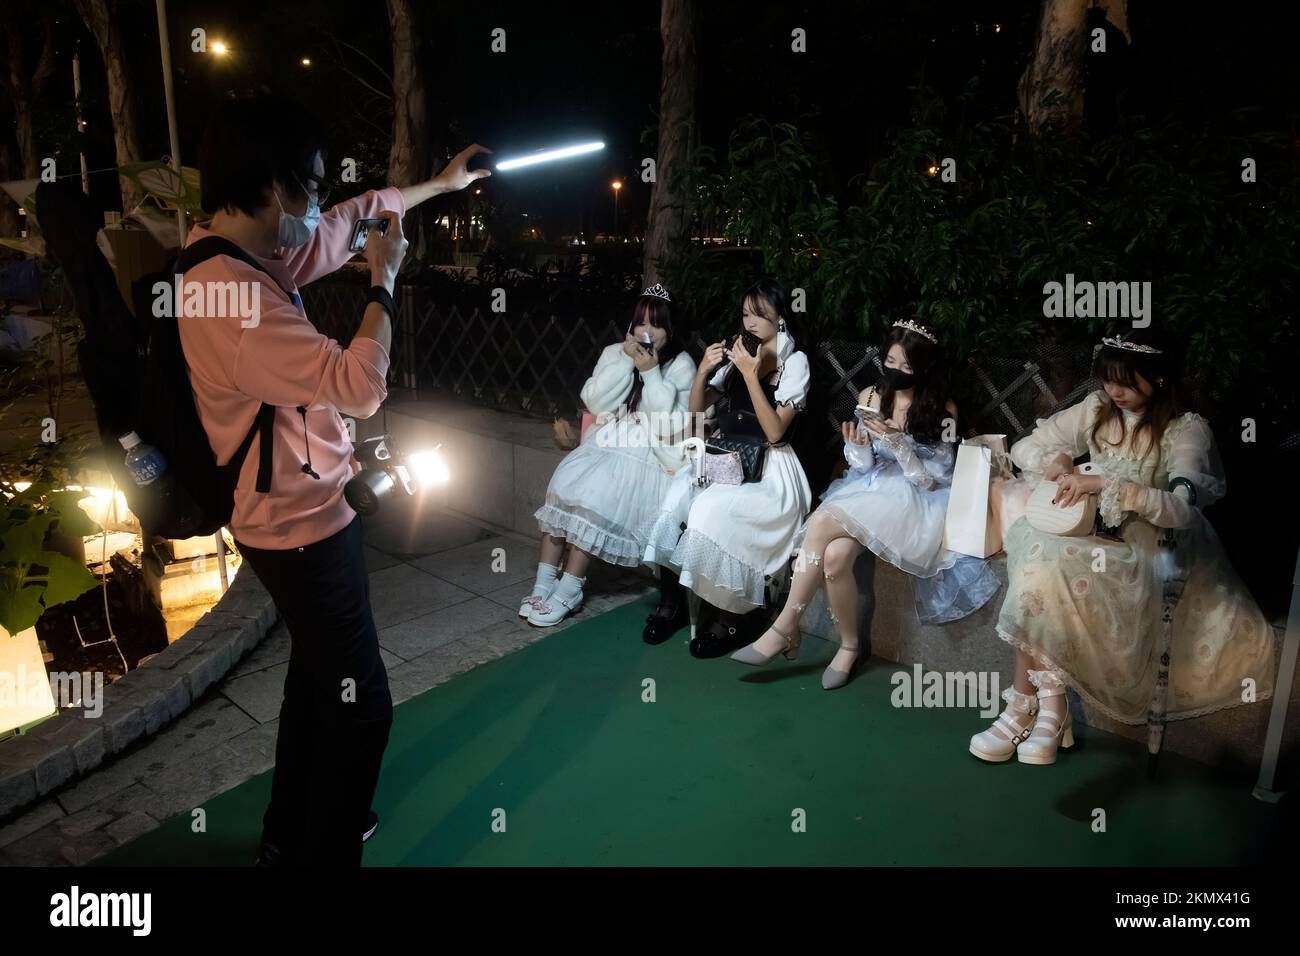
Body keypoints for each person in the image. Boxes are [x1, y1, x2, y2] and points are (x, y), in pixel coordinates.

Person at [180, 93, 489, 864]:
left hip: (284, 512)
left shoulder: (236, 251)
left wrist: (437, 189)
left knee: (315, 682)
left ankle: (288, 832)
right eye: (310, 185)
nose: (319, 201)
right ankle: (328, 843)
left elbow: (355, 214)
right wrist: (382, 284)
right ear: (275, 186)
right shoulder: (238, 302)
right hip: (300, 527)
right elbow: (359, 385)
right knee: (363, 708)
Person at [969, 328, 1276, 765]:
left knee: (1042, 562)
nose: (1115, 391)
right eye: (1108, 379)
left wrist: (1109, 484)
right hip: (1090, 534)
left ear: (1160, 378)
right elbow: (1025, 448)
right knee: (1036, 551)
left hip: (1149, 550)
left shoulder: (1186, 430)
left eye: (1128, 381)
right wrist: (1056, 461)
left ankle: (1025, 708)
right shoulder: (1097, 408)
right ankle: (1048, 710)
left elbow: (1184, 509)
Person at [731, 318, 999, 688]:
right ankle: (850, 646)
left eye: (908, 367)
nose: (896, 372)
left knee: (823, 525)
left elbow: (936, 479)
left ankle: (785, 626)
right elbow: (865, 466)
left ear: (925, 369)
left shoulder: (941, 409)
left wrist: (900, 445)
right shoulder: (871, 396)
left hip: (919, 499)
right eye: (891, 362)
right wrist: (858, 447)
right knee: (835, 557)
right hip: (871, 488)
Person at [639, 278, 813, 657]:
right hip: (725, 457)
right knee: (676, 496)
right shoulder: (738, 354)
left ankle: (735, 617)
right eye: (745, 314)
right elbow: (697, 418)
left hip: (769, 470)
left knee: (710, 510)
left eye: (760, 315)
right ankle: (671, 604)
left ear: (781, 319)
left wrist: (752, 375)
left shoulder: (794, 363)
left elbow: (775, 432)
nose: (749, 322)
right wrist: (703, 371)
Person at [524, 283, 697, 627]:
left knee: (596, 500)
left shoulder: (681, 364)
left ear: (670, 330)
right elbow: (596, 401)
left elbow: (667, 422)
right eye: (640, 323)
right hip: (606, 438)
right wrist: (625, 362)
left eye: (656, 324)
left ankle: (570, 589)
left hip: (648, 449)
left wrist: (649, 371)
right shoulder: (615, 352)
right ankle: (543, 585)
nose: (646, 332)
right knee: (562, 487)